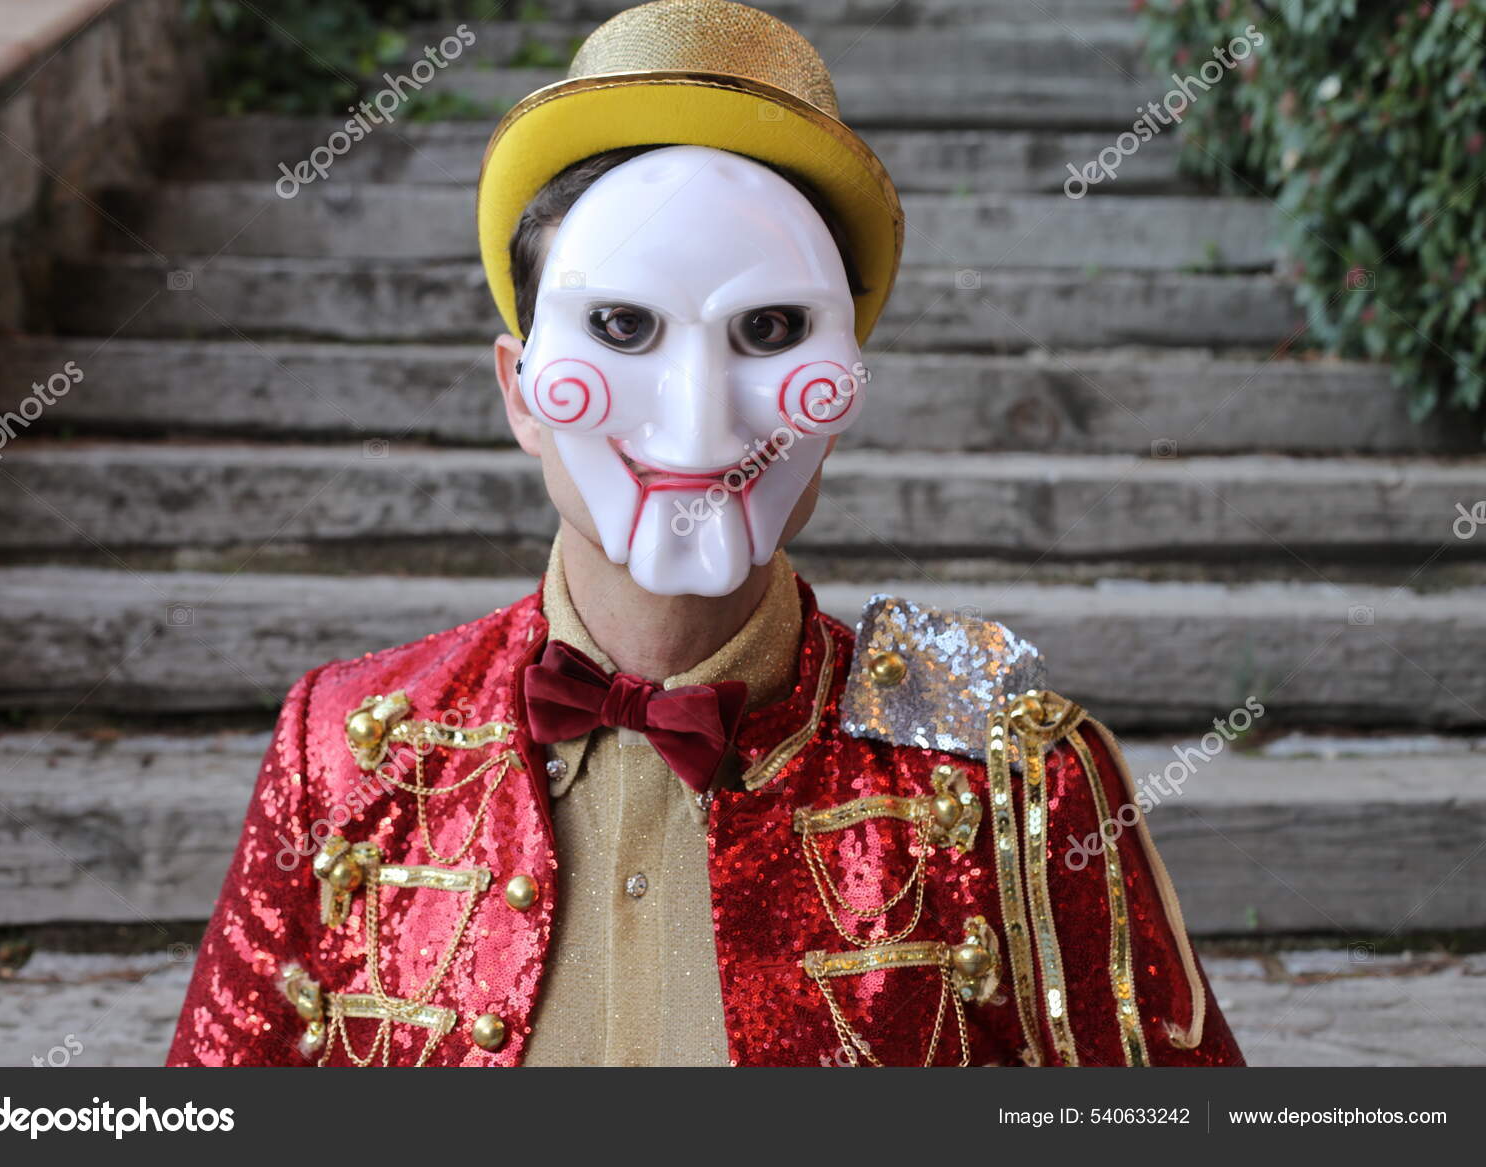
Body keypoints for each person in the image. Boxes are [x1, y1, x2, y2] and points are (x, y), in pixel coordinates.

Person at [167, 0, 1242, 1068]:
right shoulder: (348, 753)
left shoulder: (1004, 766)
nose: (695, 419)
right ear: (522, 393)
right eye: (621, 328)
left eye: (769, 332)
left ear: (846, 388)